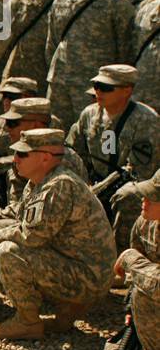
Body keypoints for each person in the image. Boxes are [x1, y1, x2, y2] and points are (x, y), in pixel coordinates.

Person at [0, 128, 114, 339]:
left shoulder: (59, 185)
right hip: (75, 265)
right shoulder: (38, 182)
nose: (15, 159)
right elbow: (17, 218)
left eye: (23, 154)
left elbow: (30, 235)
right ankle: (65, 312)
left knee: (9, 252)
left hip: (90, 277)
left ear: (45, 157)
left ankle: (28, 322)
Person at [67, 64, 160, 251]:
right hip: (95, 183)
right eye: (96, 86)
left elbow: (138, 171)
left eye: (106, 87)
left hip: (130, 183)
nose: (98, 91)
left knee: (127, 196)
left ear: (127, 90)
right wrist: (79, 184)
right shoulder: (90, 114)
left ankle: (121, 255)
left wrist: (94, 192)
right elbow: (72, 151)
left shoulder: (146, 119)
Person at [45, 0, 136, 127]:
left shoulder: (115, 2)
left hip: (95, 83)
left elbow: (125, 44)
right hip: (60, 79)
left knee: (95, 129)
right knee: (56, 127)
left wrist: (115, 84)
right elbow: (53, 40)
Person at [112, 169, 160, 350]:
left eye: (153, 196)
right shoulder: (144, 223)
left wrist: (131, 260)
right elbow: (134, 280)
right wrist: (131, 312)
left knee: (145, 291)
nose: (145, 200)